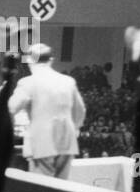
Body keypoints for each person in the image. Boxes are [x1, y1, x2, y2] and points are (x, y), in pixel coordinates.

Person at [7, 44, 85, 178]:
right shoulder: (68, 81)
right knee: (61, 189)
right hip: (67, 141)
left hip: (41, 142)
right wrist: (76, 128)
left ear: (30, 61)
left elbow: (12, 108)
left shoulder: (27, 82)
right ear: (51, 60)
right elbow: (80, 110)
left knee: (42, 191)